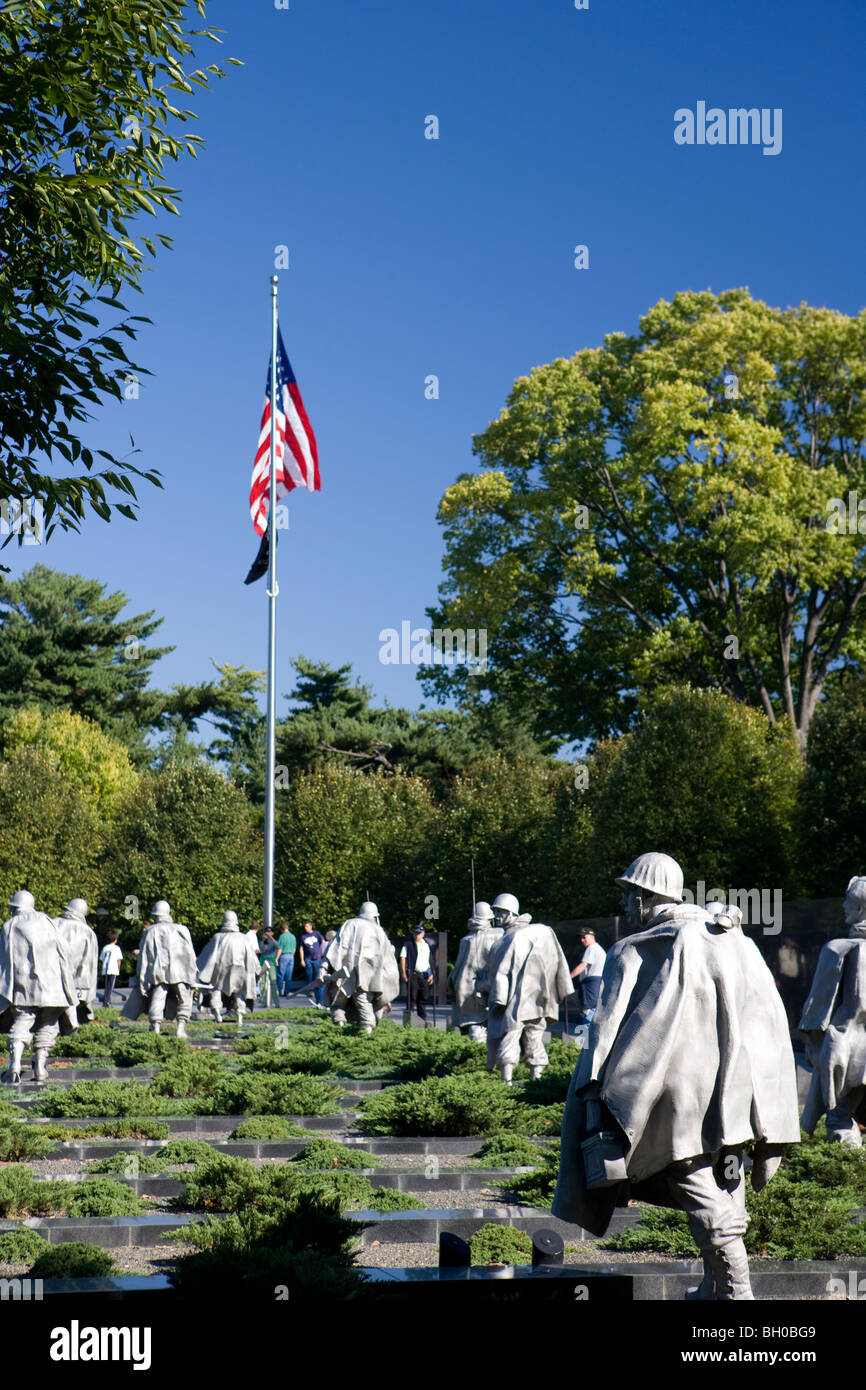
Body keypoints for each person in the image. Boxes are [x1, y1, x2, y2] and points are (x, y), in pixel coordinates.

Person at [552, 851, 800, 1301]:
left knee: (692, 1178)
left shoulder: (635, 949)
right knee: (725, 1175)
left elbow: (604, 1035)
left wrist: (593, 1098)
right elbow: (767, 1017)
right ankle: (713, 1284)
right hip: (735, 1091)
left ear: (647, 897)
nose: (626, 907)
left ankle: (735, 1292)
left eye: (630, 896)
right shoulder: (733, 938)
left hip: (671, 1095)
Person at [799, 874, 866, 1147]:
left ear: (861, 906)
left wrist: (813, 1043)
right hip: (857, 1048)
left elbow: (816, 1012)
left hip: (845, 1045)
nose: (843, 907)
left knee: (837, 1116)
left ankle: (846, 1171)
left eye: (849, 901)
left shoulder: (838, 949)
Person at [482, 892, 573, 1084]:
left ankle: (507, 1080)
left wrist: (497, 999)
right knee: (534, 1035)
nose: (496, 916)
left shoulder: (506, 940)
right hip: (540, 998)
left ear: (510, 913)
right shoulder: (542, 932)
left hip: (516, 1000)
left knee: (510, 1034)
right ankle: (536, 1079)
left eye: (499, 912)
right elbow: (558, 962)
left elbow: (500, 974)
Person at [0, 890, 79, 1084]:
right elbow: (64, 952)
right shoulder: (49, 923)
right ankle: (41, 1067)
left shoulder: (10, 926)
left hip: (23, 986)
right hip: (53, 987)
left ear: (17, 907)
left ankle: (15, 1065)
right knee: (48, 1024)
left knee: (22, 1020)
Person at [317, 902, 399, 1032]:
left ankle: (340, 1029)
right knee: (363, 1001)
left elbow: (334, 947)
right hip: (367, 977)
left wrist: (324, 967)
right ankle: (367, 1030)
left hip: (345, 974)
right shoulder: (379, 930)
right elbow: (388, 956)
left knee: (338, 1003)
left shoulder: (349, 924)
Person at [121, 900, 198, 1037]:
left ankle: (156, 1027)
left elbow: (144, 956)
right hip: (180, 973)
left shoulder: (150, 931)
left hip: (159, 972)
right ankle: (181, 1028)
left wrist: (141, 975)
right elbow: (190, 953)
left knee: (158, 997)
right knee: (184, 998)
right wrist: (192, 971)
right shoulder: (182, 929)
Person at [196, 910, 260, 1028]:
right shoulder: (244, 938)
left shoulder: (218, 937)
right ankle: (240, 1016)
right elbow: (253, 958)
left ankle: (217, 1015)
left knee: (216, 989)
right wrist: (257, 970)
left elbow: (206, 957)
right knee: (240, 992)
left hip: (220, 971)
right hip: (239, 970)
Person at [449, 902, 501, 1041]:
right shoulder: (499, 935)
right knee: (495, 1028)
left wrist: (451, 988)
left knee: (474, 1027)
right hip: (490, 987)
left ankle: (476, 1057)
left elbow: (457, 969)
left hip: (466, 990)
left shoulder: (465, 940)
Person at [53, 897, 99, 1025]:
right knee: (70, 1013)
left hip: (50, 977)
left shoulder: (52, 923)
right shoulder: (88, 932)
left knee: (50, 1016)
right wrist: (86, 993)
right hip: (73, 981)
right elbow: (90, 965)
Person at [570, 928, 606, 1026]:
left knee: (588, 1012)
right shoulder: (598, 949)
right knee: (592, 1010)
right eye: (581, 938)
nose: (582, 940)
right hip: (596, 983)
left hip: (591, 983)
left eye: (584, 937)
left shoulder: (592, 948)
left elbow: (583, 966)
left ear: (591, 936)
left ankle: (586, 1039)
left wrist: (568, 977)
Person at [400, 924, 435, 1025]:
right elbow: (403, 957)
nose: (417, 935)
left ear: (423, 934)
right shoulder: (408, 944)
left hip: (425, 974)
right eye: (415, 933)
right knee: (412, 998)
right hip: (413, 974)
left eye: (419, 933)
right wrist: (403, 973)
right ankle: (408, 1021)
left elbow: (430, 960)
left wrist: (431, 973)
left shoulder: (426, 944)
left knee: (423, 998)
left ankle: (422, 1020)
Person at [299, 921, 326, 1007]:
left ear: (311, 926)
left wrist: (322, 953)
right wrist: (302, 959)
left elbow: (323, 942)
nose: (305, 928)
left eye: (307, 926)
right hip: (308, 958)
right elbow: (301, 948)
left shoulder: (316, 933)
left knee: (317, 975)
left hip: (317, 958)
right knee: (309, 974)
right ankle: (310, 990)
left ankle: (317, 990)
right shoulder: (303, 937)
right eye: (305, 927)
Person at [100, 930, 123, 1007]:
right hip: (113, 969)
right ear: (116, 939)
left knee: (107, 986)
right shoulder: (117, 948)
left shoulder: (105, 947)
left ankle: (106, 1000)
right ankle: (107, 1002)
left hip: (106, 968)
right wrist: (118, 969)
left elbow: (102, 958)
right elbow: (118, 960)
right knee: (111, 986)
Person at [275, 921, 297, 996]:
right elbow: (294, 948)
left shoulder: (282, 936)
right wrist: (292, 955)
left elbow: (280, 949)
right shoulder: (293, 936)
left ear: (282, 929)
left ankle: (279, 991)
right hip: (291, 956)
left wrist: (276, 958)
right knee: (289, 975)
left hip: (284, 956)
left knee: (281, 975)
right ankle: (287, 992)